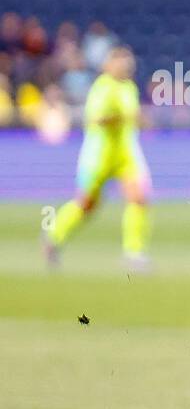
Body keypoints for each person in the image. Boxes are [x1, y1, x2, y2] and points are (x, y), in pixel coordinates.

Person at [42, 46, 152, 269]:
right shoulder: (102, 88)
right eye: (121, 62)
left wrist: (140, 120)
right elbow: (96, 120)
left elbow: (134, 117)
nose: (126, 66)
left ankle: (134, 252)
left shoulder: (129, 87)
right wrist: (120, 118)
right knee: (86, 204)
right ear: (109, 65)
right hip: (99, 155)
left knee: (139, 198)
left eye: (128, 62)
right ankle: (53, 236)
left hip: (125, 153)